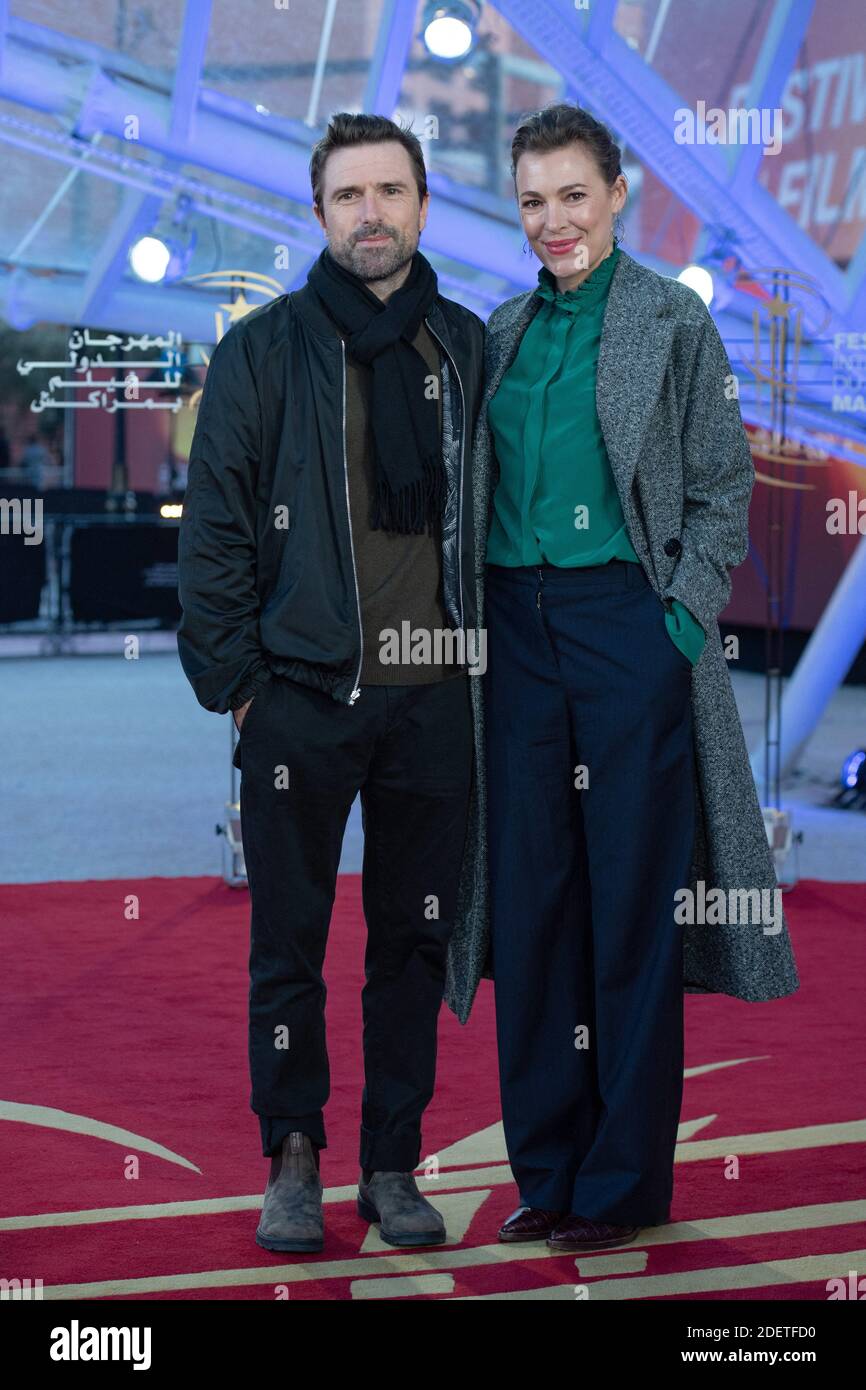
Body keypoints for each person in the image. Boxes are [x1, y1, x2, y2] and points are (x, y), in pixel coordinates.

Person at [441, 102, 799, 1252]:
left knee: (629, 907)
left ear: (615, 193)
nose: (553, 221)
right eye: (532, 200)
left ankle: (621, 1184)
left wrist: (677, 631)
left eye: (572, 196)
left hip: (621, 628)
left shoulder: (669, 319)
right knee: (533, 906)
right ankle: (544, 1170)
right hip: (513, 635)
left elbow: (719, 487)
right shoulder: (495, 330)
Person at [176, 113, 484, 1253]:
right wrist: (243, 691)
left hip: (433, 699)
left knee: (411, 941)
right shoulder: (261, 350)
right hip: (301, 693)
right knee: (288, 943)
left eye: (391, 191)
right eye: (349, 194)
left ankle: (391, 1163)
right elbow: (212, 538)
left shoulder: (461, 346)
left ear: (418, 204)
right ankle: (292, 1155)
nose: (371, 213)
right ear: (318, 213)